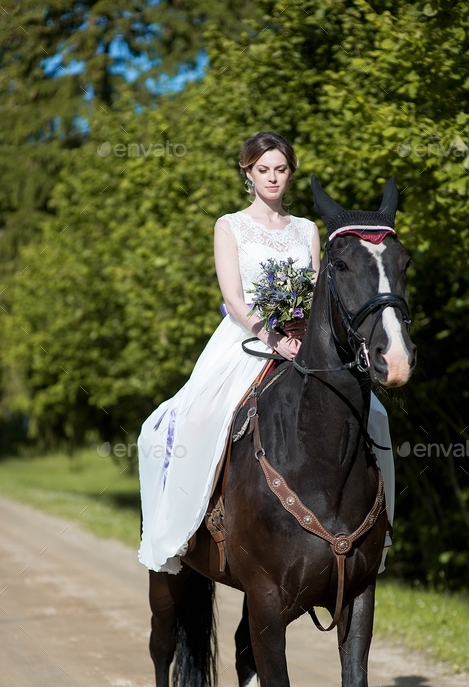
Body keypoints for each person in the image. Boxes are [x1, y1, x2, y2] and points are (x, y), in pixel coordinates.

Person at [137, 131, 394, 575]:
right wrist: (274, 339)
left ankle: (382, 529)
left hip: (307, 344)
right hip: (247, 340)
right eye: (263, 170)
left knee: (378, 417)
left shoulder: (308, 230)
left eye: (280, 169)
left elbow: (322, 291)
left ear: (289, 173)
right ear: (248, 173)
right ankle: (185, 529)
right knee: (194, 420)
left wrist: (307, 334)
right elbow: (235, 299)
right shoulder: (229, 225)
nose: (272, 178)